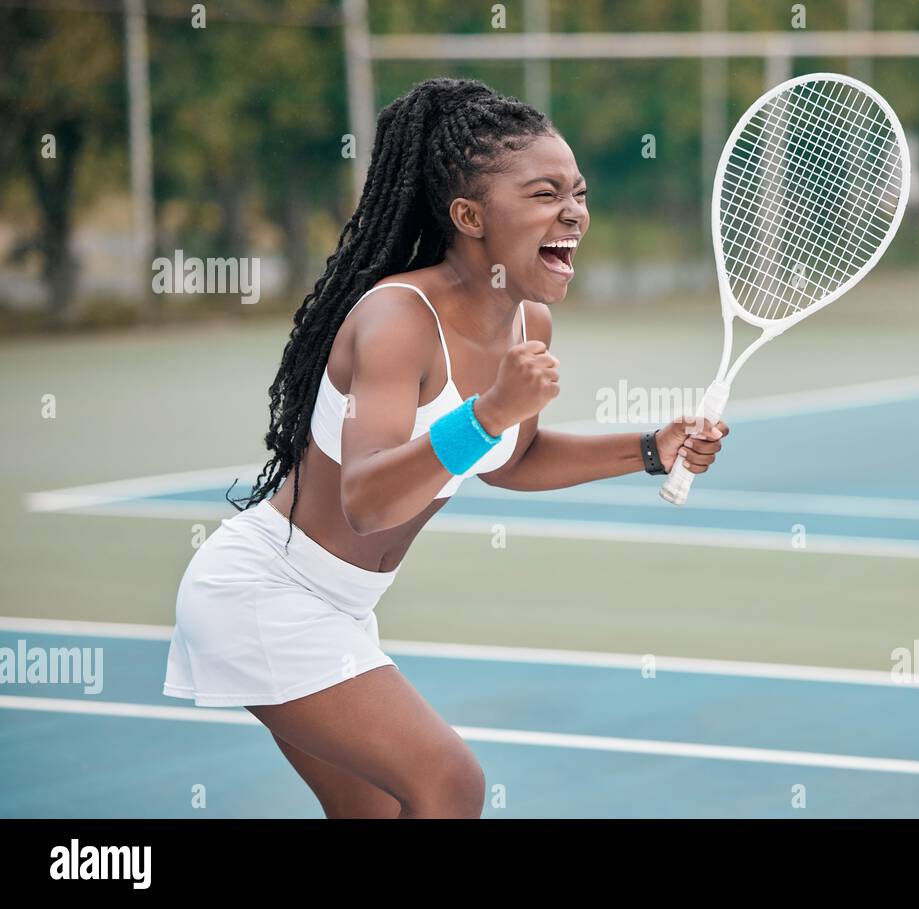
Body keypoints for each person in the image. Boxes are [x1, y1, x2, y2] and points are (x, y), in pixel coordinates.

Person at [161, 78, 727, 818]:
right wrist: (490, 411)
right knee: (449, 784)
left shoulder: (529, 324)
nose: (574, 212)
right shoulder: (397, 318)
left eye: (579, 192)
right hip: (263, 592)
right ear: (468, 216)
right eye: (544, 193)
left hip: (340, 606)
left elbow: (513, 462)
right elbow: (368, 500)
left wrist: (650, 447)